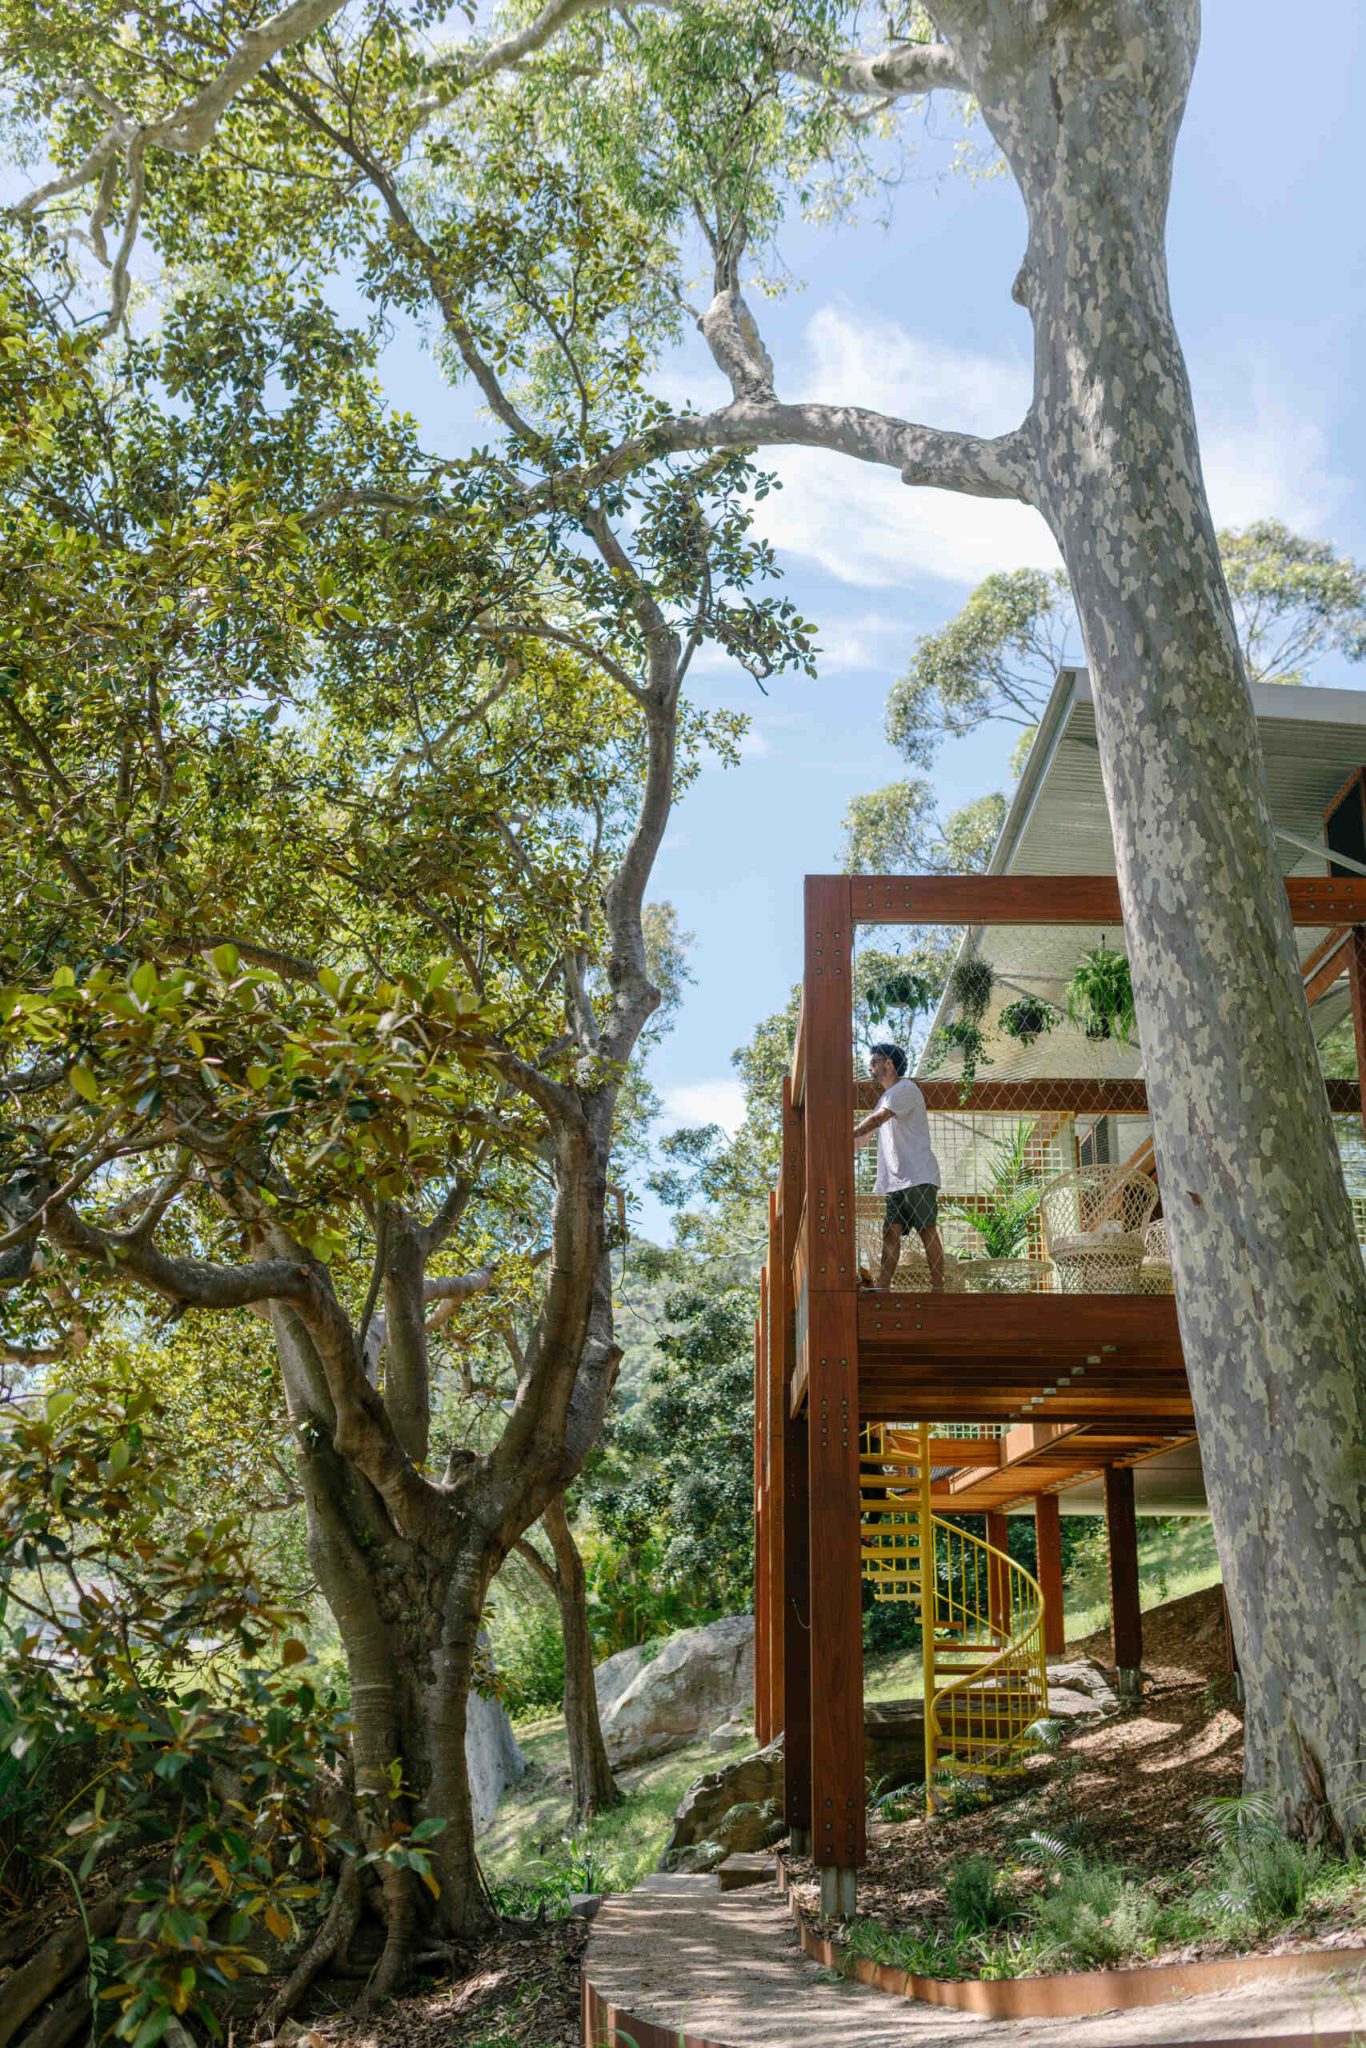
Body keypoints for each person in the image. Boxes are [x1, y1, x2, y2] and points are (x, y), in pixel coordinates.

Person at [855, 1043, 944, 1291]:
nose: (869, 1067)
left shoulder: (906, 1089)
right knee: (890, 1233)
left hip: (917, 1176)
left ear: (889, 1064)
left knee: (927, 1230)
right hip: (896, 1181)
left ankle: (939, 1289)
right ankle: (883, 1287)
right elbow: (865, 1134)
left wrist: (844, 1135)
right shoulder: (886, 1098)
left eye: (874, 1061)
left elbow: (877, 1120)